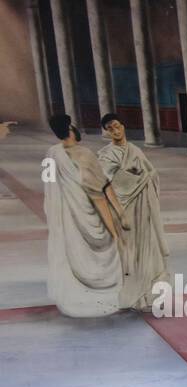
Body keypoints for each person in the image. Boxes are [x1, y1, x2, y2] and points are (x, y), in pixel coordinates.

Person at [43, 113, 123, 317]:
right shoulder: (84, 154)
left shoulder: (50, 154)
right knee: (110, 245)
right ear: (70, 129)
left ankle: (77, 295)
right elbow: (99, 193)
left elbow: (49, 187)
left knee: (73, 252)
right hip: (85, 213)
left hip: (66, 217)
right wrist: (115, 226)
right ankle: (103, 296)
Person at [98, 113, 168, 310]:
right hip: (123, 209)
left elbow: (151, 174)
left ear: (123, 126)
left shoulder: (135, 150)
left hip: (142, 207)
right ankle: (129, 296)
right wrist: (120, 210)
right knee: (128, 253)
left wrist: (144, 176)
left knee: (146, 249)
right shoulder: (106, 154)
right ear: (107, 131)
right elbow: (106, 184)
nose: (115, 130)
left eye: (117, 126)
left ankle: (145, 296)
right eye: (110, 128)